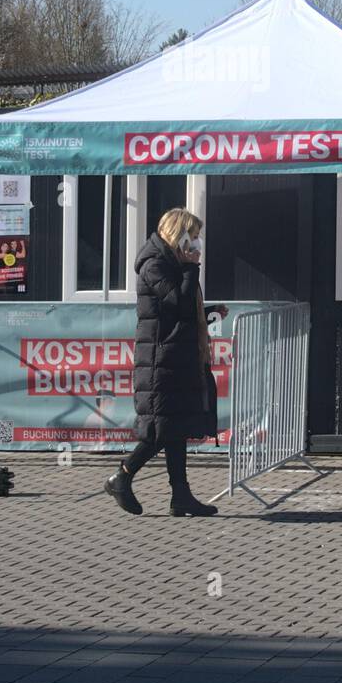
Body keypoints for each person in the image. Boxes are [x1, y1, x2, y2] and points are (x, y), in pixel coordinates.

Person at [104, 207, 219, 517]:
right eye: (192, 236)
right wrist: (192, 267)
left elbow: (179, 309)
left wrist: (208, 310)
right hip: (160, 359)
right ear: (178, 234)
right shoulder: (155, 264)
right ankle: (122, 476)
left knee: (176, 426)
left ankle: (181, 496)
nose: (196, 244)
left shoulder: (173, 263)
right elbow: (177, 304)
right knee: (161, 428)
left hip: (175, 356)